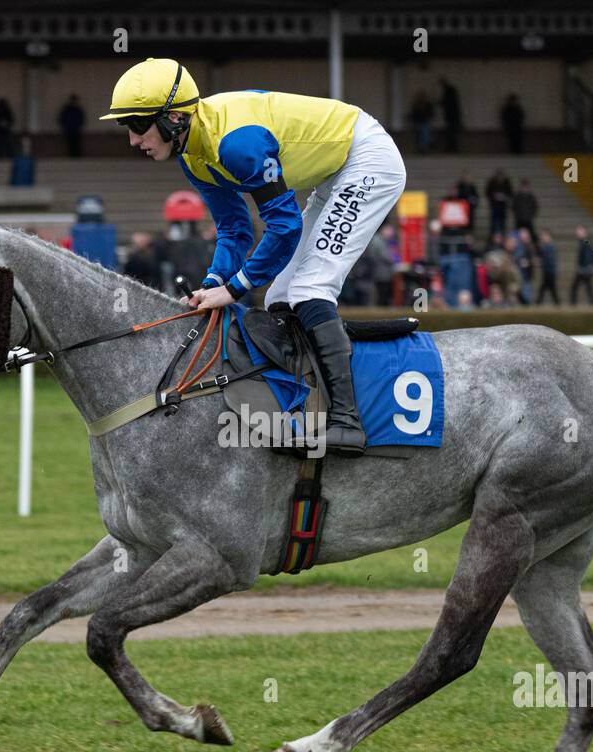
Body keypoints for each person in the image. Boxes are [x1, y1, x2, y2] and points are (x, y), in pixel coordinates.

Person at [99, 58, 407, 455]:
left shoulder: (236, 145)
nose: (132, 139)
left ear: (174, 118)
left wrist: (235, 288)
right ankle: (303, 404)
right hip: (332, 173)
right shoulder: (193, 155)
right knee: (281, 296)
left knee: (311, 287)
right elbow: (235, 229)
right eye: (128, 126)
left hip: (366, 159)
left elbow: (284, 227)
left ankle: (347, 422)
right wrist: (212, 284)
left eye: (138, 125)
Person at [570, 225, 593, 306]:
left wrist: (587, 267)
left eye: (580, 231)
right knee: (588, 288)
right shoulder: (585, 242)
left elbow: (592, 254)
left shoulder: (586, 242)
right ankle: (592, 303)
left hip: (584, 270)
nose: (577, 232)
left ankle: (573, 304)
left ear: (585, 232)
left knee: (576, 287)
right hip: (585, 270)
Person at [485, 169, 512, 239]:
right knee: (493, 224)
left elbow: (510, 193)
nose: (500, 178)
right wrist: (494, 196)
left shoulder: (507, 183)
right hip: (494, 206)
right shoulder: (492, 183)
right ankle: (492, 237)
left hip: (503, 206)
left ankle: (502, 236)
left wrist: (505, 197)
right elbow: (488, 193)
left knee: (502, 223)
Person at [439, 77, 462, 154]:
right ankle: (452, 147)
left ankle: (452, 148)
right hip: (452, 116)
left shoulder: (449, 91)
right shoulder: (450, 91)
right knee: (451, 133)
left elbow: (447, 103)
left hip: (452, 116)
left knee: (451, 133)